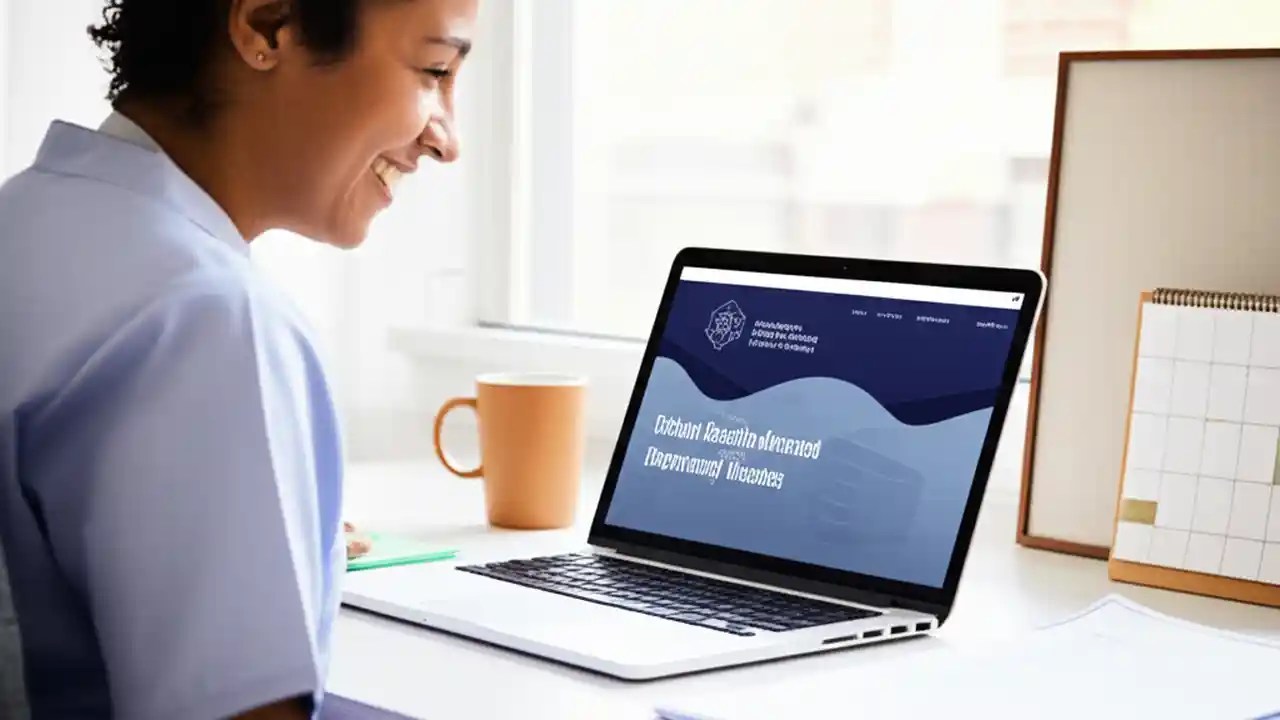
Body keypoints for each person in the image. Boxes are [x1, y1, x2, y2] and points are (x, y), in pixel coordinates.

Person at [0, 0, 476, 717]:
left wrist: (253, 530)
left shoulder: (30, 219)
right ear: (268, 27)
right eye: (433, 69)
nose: (447, 141)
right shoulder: (204, 316)